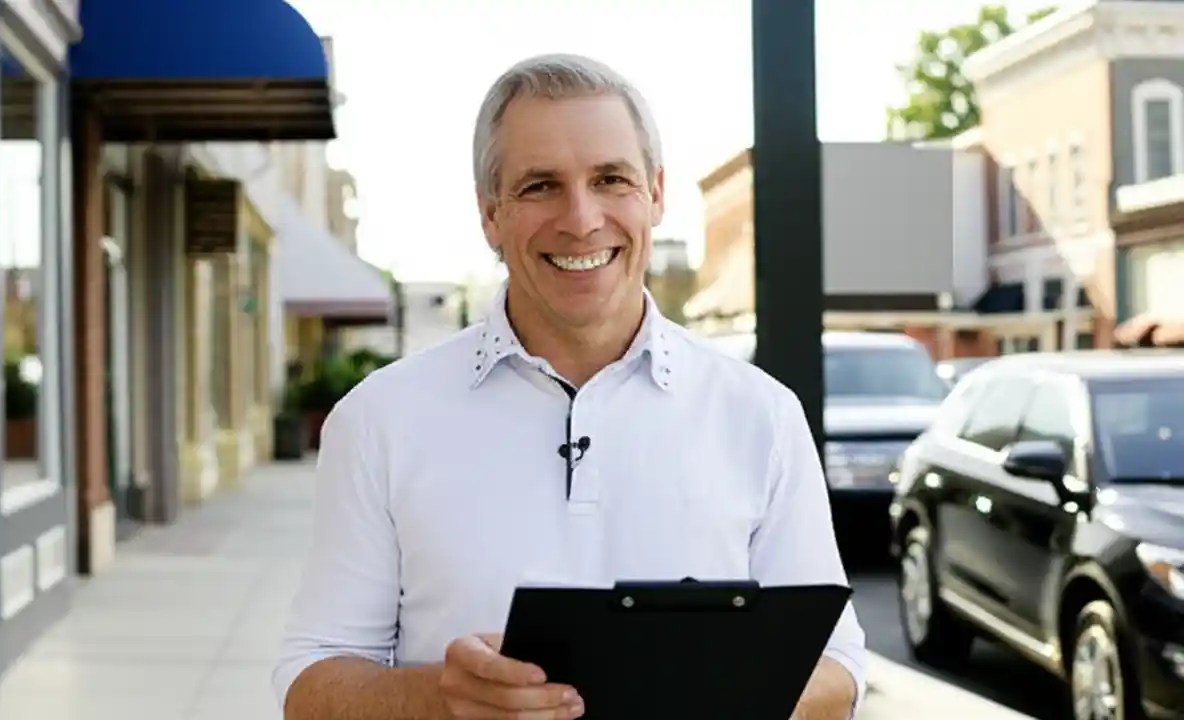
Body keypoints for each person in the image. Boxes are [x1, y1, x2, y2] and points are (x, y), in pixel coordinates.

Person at [274, 53, 867, 719]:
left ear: (656, 194)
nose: (581, 219)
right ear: (490, 216)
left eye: (611, 179)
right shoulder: (379, 419)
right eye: (539, 186)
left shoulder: (761, 415)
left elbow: (839, 665)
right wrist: (441, 699)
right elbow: (311, 686)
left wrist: (705, 695)